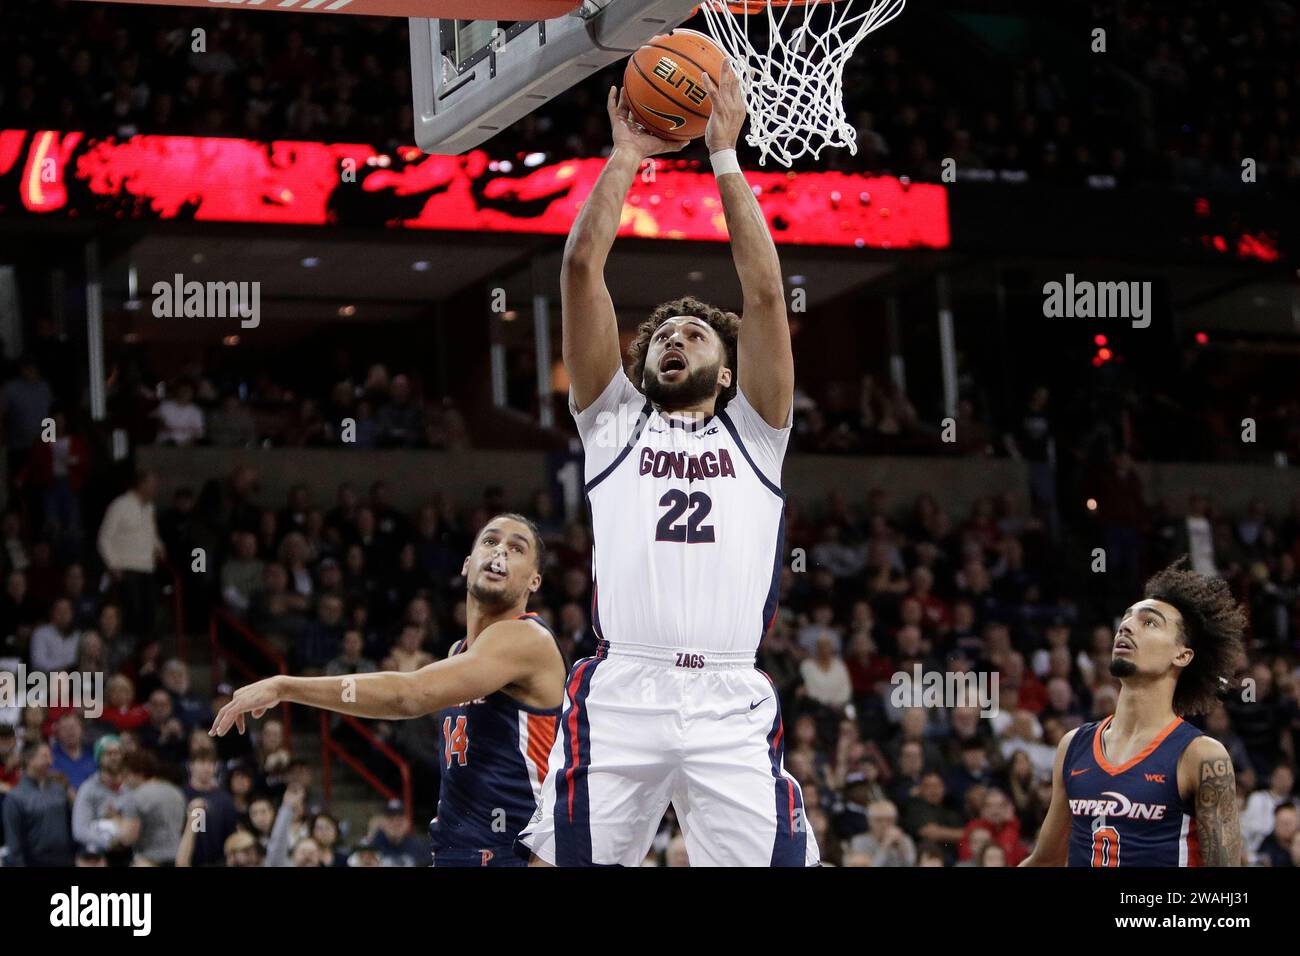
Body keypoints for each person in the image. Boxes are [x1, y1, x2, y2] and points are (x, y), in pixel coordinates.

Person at [517, 67, 816, 868]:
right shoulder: (611, 421)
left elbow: (763, 294)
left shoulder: (757, 433)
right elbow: (581, 269)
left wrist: (724, 155)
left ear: (728, 373)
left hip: (728, 695)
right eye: (664, 333)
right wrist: (624, 155)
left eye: (694, 332)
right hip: (624, 691)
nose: (675, 336)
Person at [212, 514, 567, 867]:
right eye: (490, 541)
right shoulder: (459, 653)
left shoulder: (526, 638)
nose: (500, 551)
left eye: (516, 547)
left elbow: (409, 695)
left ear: (534, 581)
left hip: (515, 852)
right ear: (467, 564)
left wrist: (285, 686)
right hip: (458, 851)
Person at [1022, 557, 1246, 866]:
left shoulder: (1200, 756)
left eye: (1149, 622)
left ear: (1182, 655)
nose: (1126, 626)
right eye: (1126, 618)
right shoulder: (1072, 746)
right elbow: (1045, 861)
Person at [97, 469, 166, 640]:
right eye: (152, 485)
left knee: (150, 614)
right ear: (141, 485)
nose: (154, 490)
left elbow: (152, 534)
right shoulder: (120, 505)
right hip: (127, 568)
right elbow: (104, 538)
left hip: (148, 568)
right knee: (132, 613)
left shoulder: (149, 508)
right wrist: (113, 565)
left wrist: (159, 548)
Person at [2, 742, 75, 866]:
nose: (50, 762)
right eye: (44, 756)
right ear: (29, 760)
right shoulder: (15, 797)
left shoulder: (59, 789)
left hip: (65, 860)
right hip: (34, 862)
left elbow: (71, 824)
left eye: (50, 756)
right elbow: (14, 843)